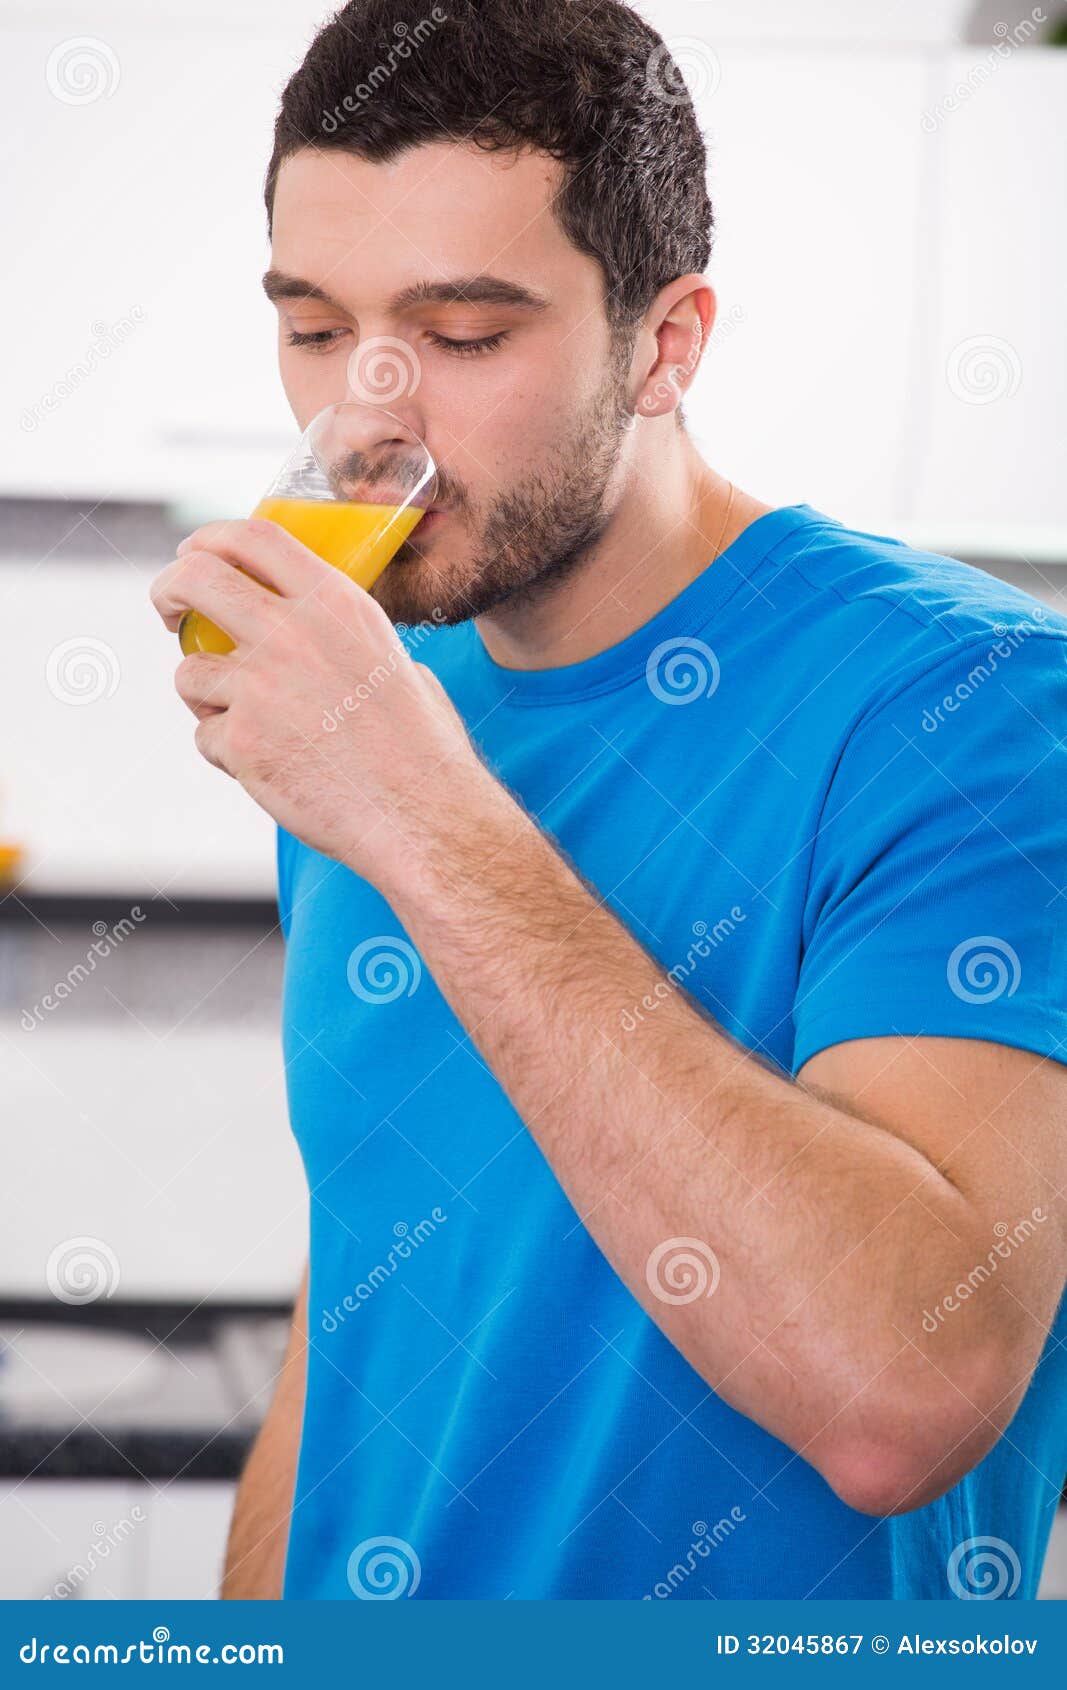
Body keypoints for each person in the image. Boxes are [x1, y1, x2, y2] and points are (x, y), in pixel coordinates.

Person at [150, 0, 1067, 1601]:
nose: (368, 412)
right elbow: (364, 1294)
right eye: (315, 325)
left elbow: (904, 1395)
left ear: (667, 341)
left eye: (463, 335)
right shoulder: (375, 707)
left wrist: (421, 812)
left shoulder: (972, 707)